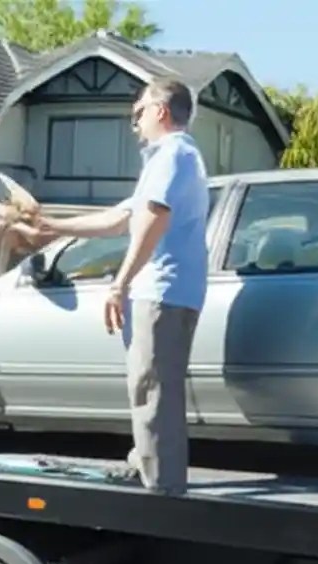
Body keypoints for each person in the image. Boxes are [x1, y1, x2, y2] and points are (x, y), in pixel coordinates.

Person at [35, 78, 210, 494]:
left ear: (161, 111)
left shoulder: (174, 154)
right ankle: (147, 467)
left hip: (162, 292)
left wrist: (120, 283)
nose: (135, 122)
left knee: (153, 389)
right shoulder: (170, 159)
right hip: (166, 291)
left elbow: (153, 218)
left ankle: (162, 488)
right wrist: (48, 225)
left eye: (139, 112)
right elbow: (119, 219)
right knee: (149, 386)